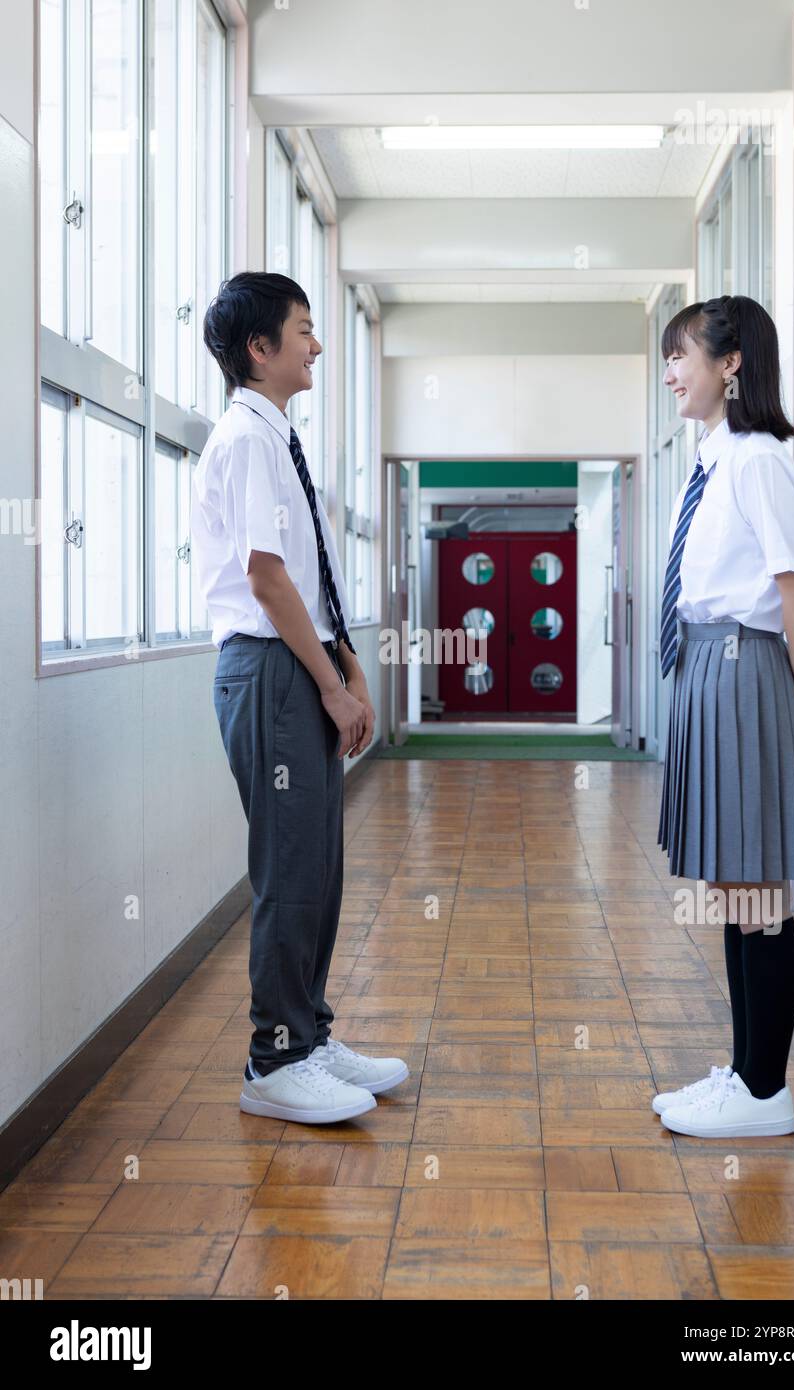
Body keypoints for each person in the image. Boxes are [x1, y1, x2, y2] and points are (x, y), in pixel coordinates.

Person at [190, 271, 408, 1125]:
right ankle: (273, 1058)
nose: (316, 345)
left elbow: (308, 576)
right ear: (260, 347)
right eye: (305, 330)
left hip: (297, 663)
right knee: (289, 866)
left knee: (316, 863)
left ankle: (309, 1034)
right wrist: (328, 681)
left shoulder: (276, 439)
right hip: (271, 668)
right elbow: (267, 576)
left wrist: (350, 671)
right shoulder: (245, 440)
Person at [652, 293, 794, 1139]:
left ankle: (766, 1092)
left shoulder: (757, 460)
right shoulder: (715, 459)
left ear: (731, 364)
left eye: (681, 355)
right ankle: (747, 1074)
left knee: (759, 892)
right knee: (735, 887)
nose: (671, 372)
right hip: (707, 669)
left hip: (742, 667)